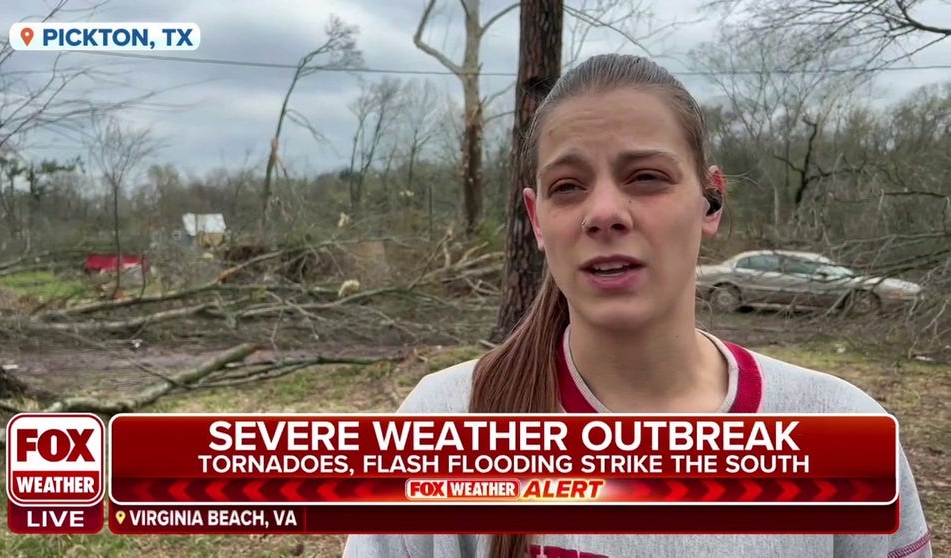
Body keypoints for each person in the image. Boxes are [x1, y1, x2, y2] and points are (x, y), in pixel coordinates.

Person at [342, 53, 933, 558]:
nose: (604, 212)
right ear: (537, 219)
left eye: (646, 177)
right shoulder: (444, 423)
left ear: (710, 201)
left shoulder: (842, 430)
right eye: (568, 186)